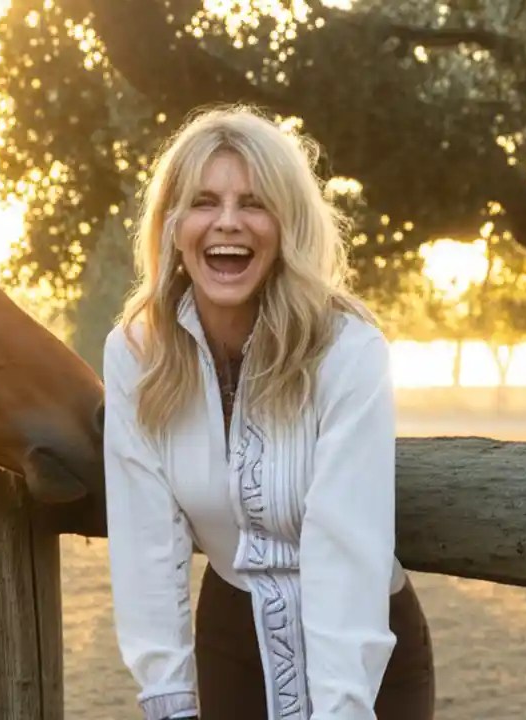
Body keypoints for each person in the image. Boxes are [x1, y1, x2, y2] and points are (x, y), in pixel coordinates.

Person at [102, 105, 435, 720]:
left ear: (287, 224)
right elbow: (145, 540)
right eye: (204, 201)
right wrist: (167, 697)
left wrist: (340, 709)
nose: (228, 222)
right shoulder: (135, 353)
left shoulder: (348, 350)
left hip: (365, 648)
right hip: (230, 639)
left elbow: (345, 547)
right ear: (173, 225)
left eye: (254, 203)